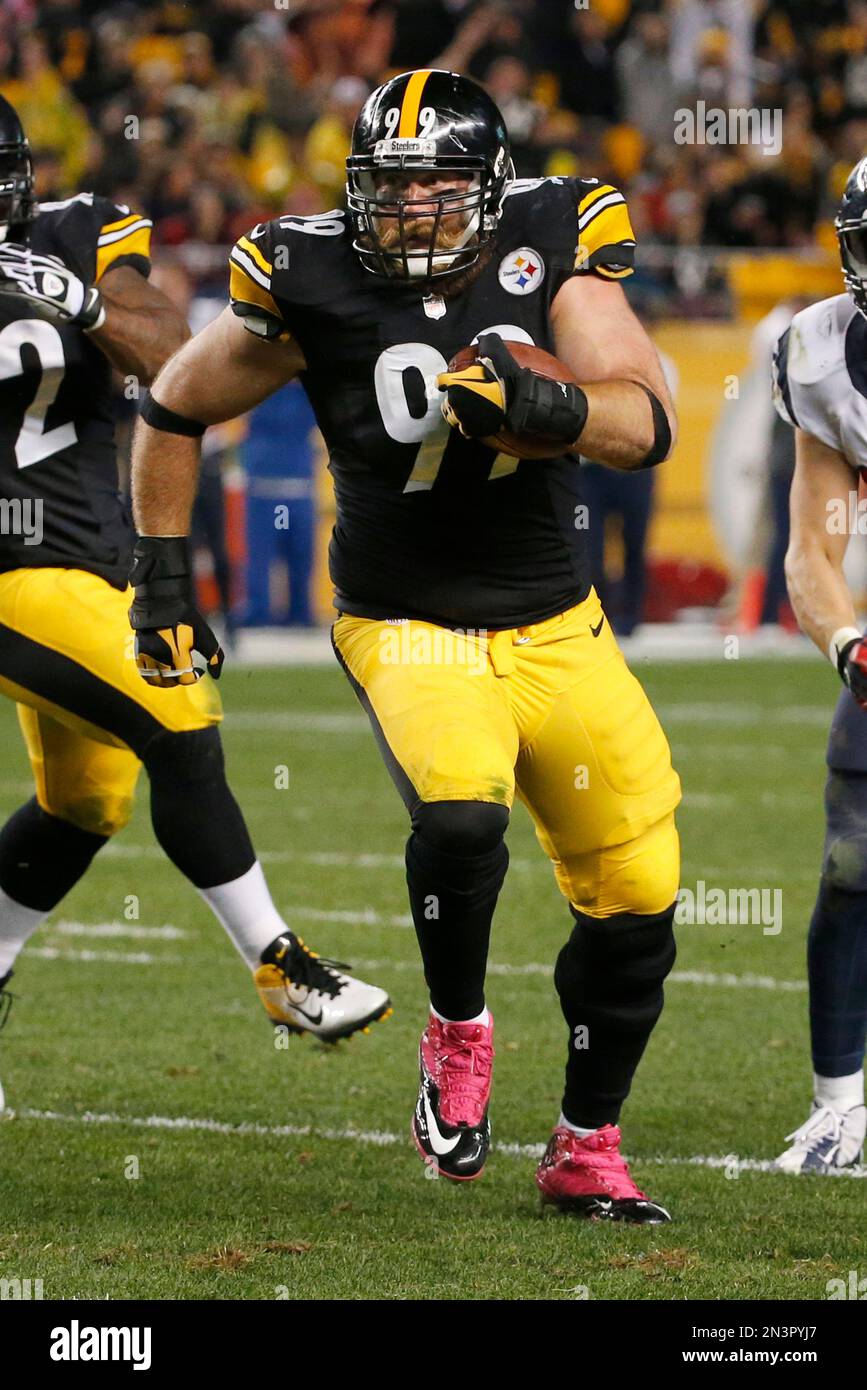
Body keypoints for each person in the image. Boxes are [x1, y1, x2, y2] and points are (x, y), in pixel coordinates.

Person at [127, 69, 681, 1223]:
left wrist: (554, 408)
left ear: (490, 189)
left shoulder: (553, 237)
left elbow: (646, 413)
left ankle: (586, 1144)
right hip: (404, 616)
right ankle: (459, 1032)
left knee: (639, 894)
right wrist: (163, 577)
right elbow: (174, 402)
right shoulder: (312, 274)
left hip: (556, 619)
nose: (412, 206)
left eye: (437, 183)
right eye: (391, 183)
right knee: (464, 814)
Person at [0, 96, 389, 1112]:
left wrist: (78, 304)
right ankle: (279, 963)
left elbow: (170, 349)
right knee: (175, 712)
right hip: (8, 562)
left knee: (86, 798)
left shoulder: (75, 233)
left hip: (91, 555)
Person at [770, 156, 867, 1172]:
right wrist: (848, 643)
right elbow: (814, 545)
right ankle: (841, 1105)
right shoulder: (824, 355)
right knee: (854, 864)